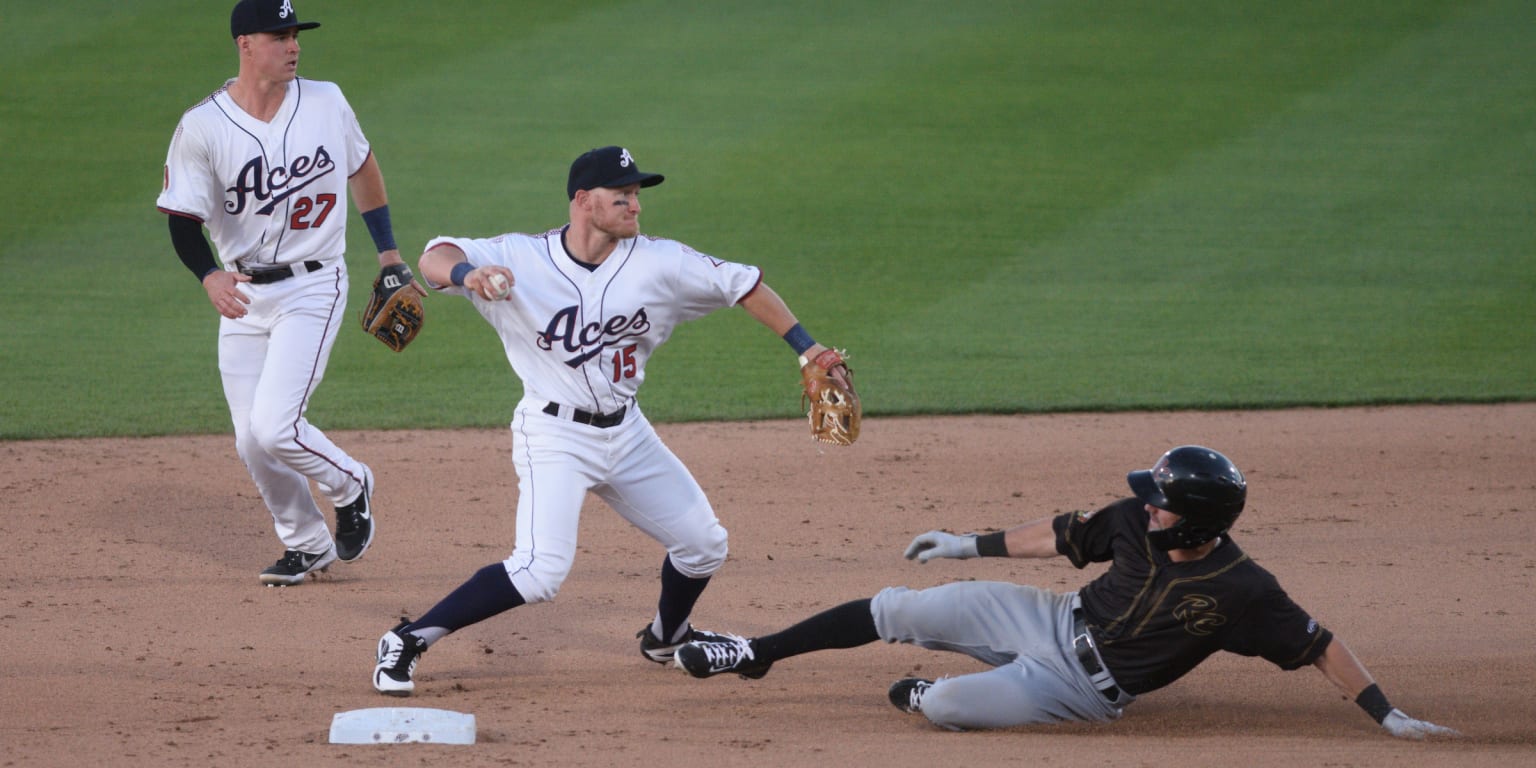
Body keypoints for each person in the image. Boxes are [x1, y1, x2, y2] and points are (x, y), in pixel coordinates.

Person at [371, 145, 853, 695]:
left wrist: (807, 350)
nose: (635, 207)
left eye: (637, 196)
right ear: (583, 201)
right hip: (554, 435)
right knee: (538, 572)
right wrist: (469, 273)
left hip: (628, 434)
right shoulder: (520, 258)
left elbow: (744, 284)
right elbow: (435, 256)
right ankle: (406, 640)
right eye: (621, 196)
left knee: (703, 543)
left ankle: (665, 638)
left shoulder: (660, 262)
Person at [674, 446, 1460, 740]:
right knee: (899, 607)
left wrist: (1385, 713)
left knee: (945, 709)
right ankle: (758, 652)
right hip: (1047, 616)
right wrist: (965, 542)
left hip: (1081, 688)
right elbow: (1053, 535)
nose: (1146, 504)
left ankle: (927, 695)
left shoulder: (1244, 590)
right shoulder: (1130, 519)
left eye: (1161, 500)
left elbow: (1318, 647)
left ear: (1199, 518)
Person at [156, 0, 411, 586]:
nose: (293, 45)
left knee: (275, 425)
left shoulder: (327, 101)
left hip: (315, 284)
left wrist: (390, 253)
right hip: (244, 295)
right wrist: (209, 276)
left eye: (296, 35)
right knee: (251, 440)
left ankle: (350, 483)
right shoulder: (203, 125)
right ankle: (307, 542)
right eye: (279, 36)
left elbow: (363, 168)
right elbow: (181, 217)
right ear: (246, 43)